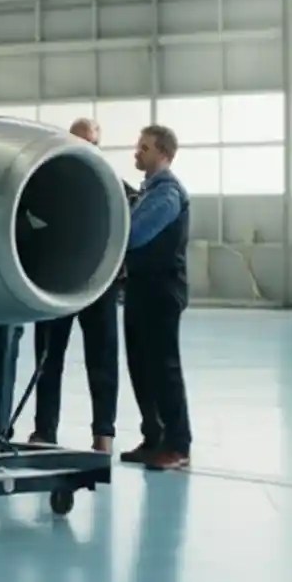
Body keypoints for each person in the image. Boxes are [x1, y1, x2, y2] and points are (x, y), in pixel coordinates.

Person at [29, 118, 119, 453]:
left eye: (92, 143)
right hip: (55, 284)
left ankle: (104, 434)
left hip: (98, 285)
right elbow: (21, 218)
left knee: (103, 359)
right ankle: (44, 431)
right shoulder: (45, 182)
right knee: (48, 360)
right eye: (78, 140)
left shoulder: (113, 185)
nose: (85, 147)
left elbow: (130, 224)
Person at [118, 124, 192, 471]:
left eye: (144, 147)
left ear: (163, 153)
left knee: (163, 368)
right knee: (141, 366)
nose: (137, 152)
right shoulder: (148, 192)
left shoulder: (166, 194)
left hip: (160, 291)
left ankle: (177, 445)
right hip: (139, 288)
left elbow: (134, 235)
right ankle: (153, 437)